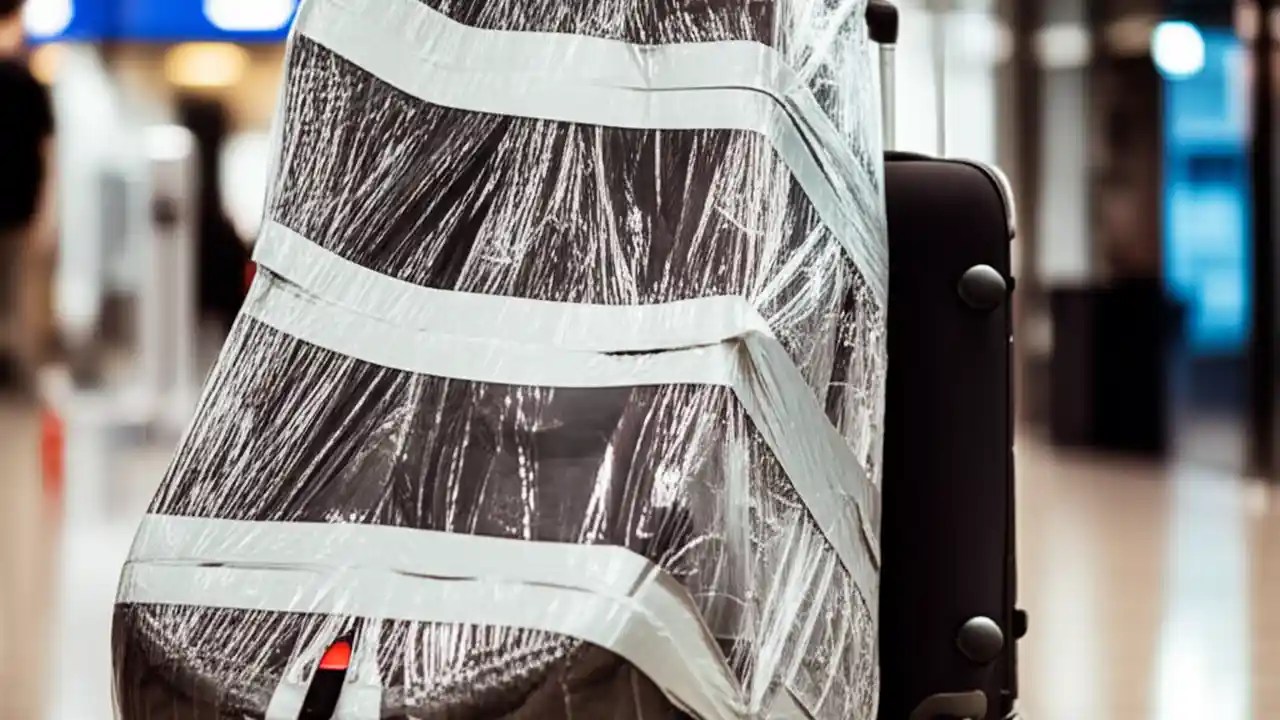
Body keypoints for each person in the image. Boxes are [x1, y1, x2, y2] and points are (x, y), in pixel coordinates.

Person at [0, 0, 56, 389]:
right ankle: (17, 374)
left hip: (21, 213)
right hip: (22, 212)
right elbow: (48, 154)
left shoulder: (30, 84)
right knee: (20, 298)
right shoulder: (30, 84)